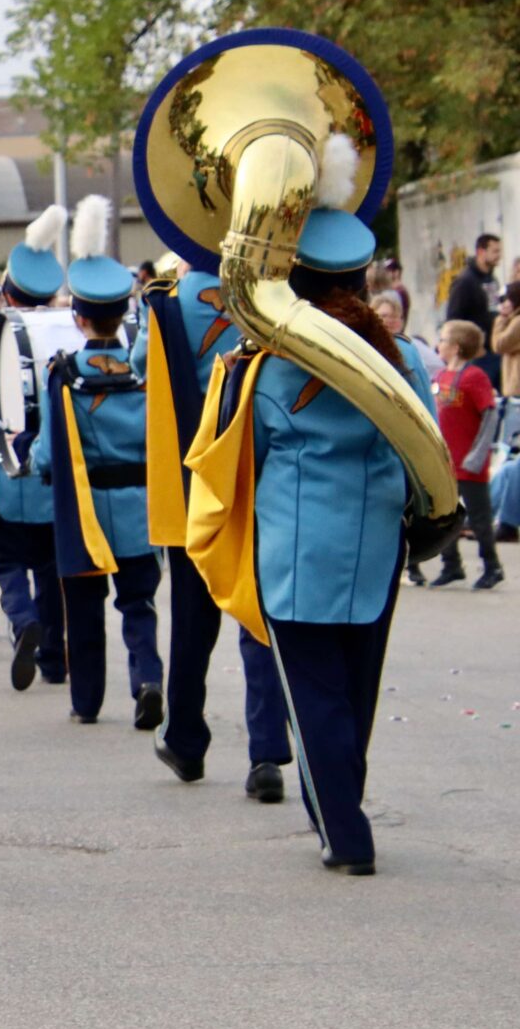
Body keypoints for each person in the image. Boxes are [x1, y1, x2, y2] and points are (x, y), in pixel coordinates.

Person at [187, 193, 437, 876]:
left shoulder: (267, 364)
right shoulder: (407, 358)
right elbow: (428, 453)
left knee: (314, 694)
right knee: (356, 690)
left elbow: (239, 458)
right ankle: (340, 804)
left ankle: (344, 833)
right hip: (377, 546)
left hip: (296, 549)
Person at [138, 256, 292, 800]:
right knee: (258, 610)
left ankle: (185, 739)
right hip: (259, 472)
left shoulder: (169, 298)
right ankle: (267, 753)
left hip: (197, 474)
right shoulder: (274, 287)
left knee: (192, 620)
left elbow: (143, 363)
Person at [33, 195, 163, 728]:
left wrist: (38, 466)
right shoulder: (142, 371)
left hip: (85, 513)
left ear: (77, 316)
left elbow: (48, 452)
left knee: (84, 609)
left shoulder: (63, 372)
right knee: (139, 604)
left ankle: (86, 701)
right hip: (139, 509)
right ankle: (148, 679)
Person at [0, 204, 68, 692]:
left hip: (7, 479)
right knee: (52, 566)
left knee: (6, 560)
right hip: (50, 476)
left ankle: (20, 617)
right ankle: (53, 654)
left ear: (6, 293)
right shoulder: (66, 340)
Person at [429, 320, 503, 589]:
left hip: (469, 464)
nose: (439, 344)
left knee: (480, 519)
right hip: (445, 464)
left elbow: (490, 415)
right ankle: (452, 565)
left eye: (444, 339)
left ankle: (492, 567)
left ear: (456, 348)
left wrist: (477, 454)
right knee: (444, 517)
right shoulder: (439, 377)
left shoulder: (475, 378)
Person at [490, 282, 520, 399]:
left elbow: (499, 345)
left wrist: (500, 319)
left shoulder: (517, 322)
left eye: (506, 299)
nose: (503, 304)